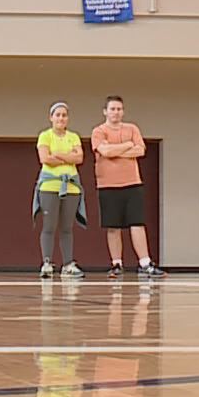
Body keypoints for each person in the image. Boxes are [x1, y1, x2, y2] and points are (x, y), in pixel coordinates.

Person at [89, 95, 164, 278]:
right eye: (112, 109)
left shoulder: (132, 129)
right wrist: (127, 146)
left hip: (132, 183)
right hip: (107, 184)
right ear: (105, 111)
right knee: (113, 227)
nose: (116, 112)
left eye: (119, 109)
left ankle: (145, 263)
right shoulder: (98, 131)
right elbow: (104, 151)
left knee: (137, 223)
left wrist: (118, 149)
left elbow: (140, 150)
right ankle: (116, 264)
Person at [34, 101, 85, 279]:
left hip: (71, 187)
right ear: (51, 117)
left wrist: (60, 156)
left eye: (64, 115)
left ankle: (68, 263)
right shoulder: (45, 136)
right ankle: (47, 262)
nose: (61, 118)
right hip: (50, 186)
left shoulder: (74, 137)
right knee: (49, 225)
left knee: (67, 227)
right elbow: (45, 158)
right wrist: (68, 157)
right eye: (58, 115)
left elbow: (79, 158)